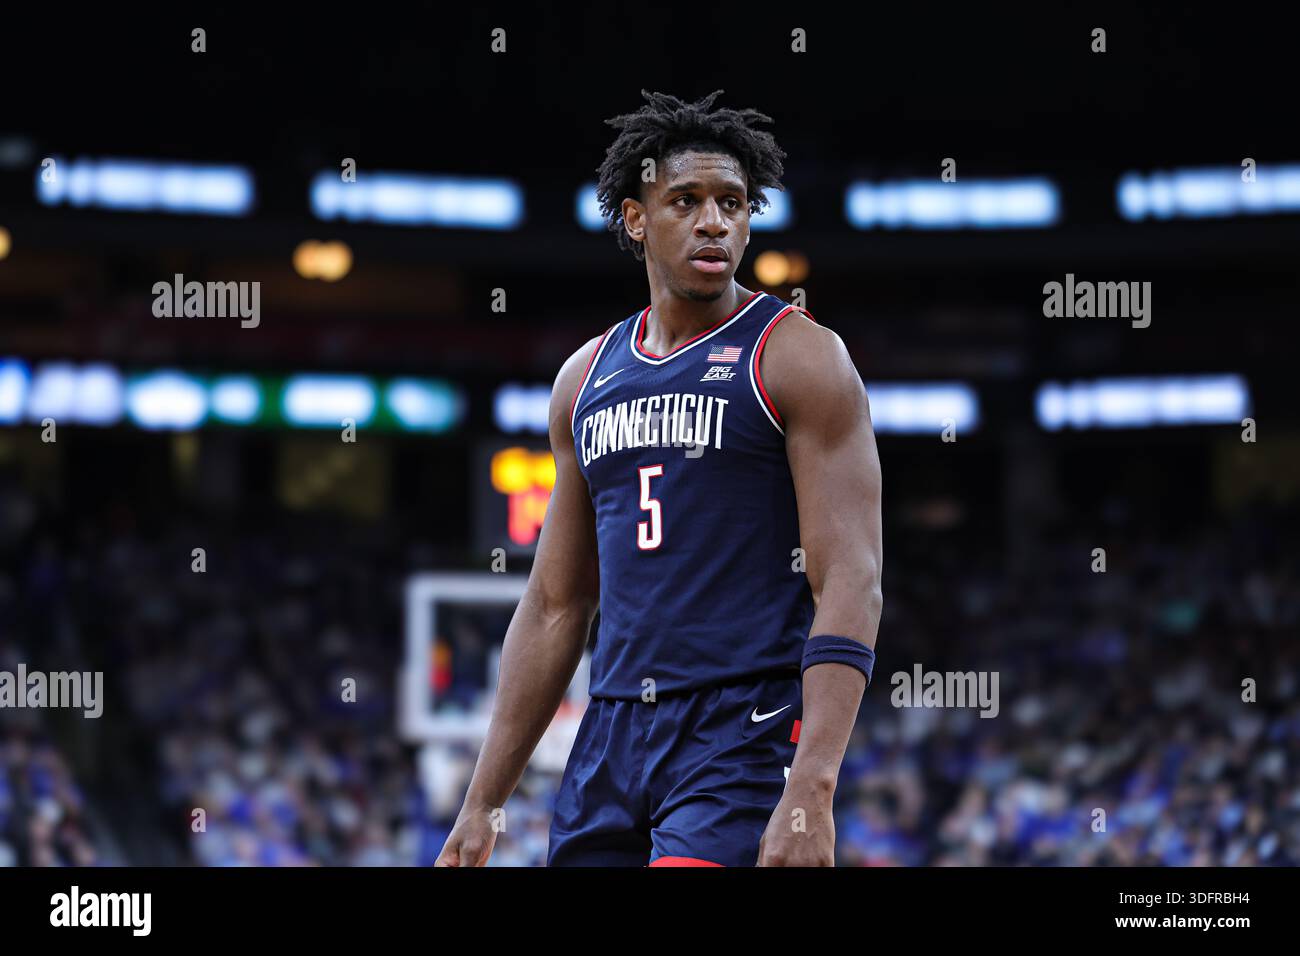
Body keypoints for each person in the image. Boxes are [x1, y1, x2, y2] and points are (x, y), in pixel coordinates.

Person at [437, 90, 883, 866]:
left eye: (733, 203)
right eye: (686, 201)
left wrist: (812, 785)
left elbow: (849, 576)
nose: (715, 222)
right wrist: (484, 802)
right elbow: (554, 605)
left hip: (740, 728)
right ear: (635, 219)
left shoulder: (798, 356)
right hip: (609, 733)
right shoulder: (585, 379)